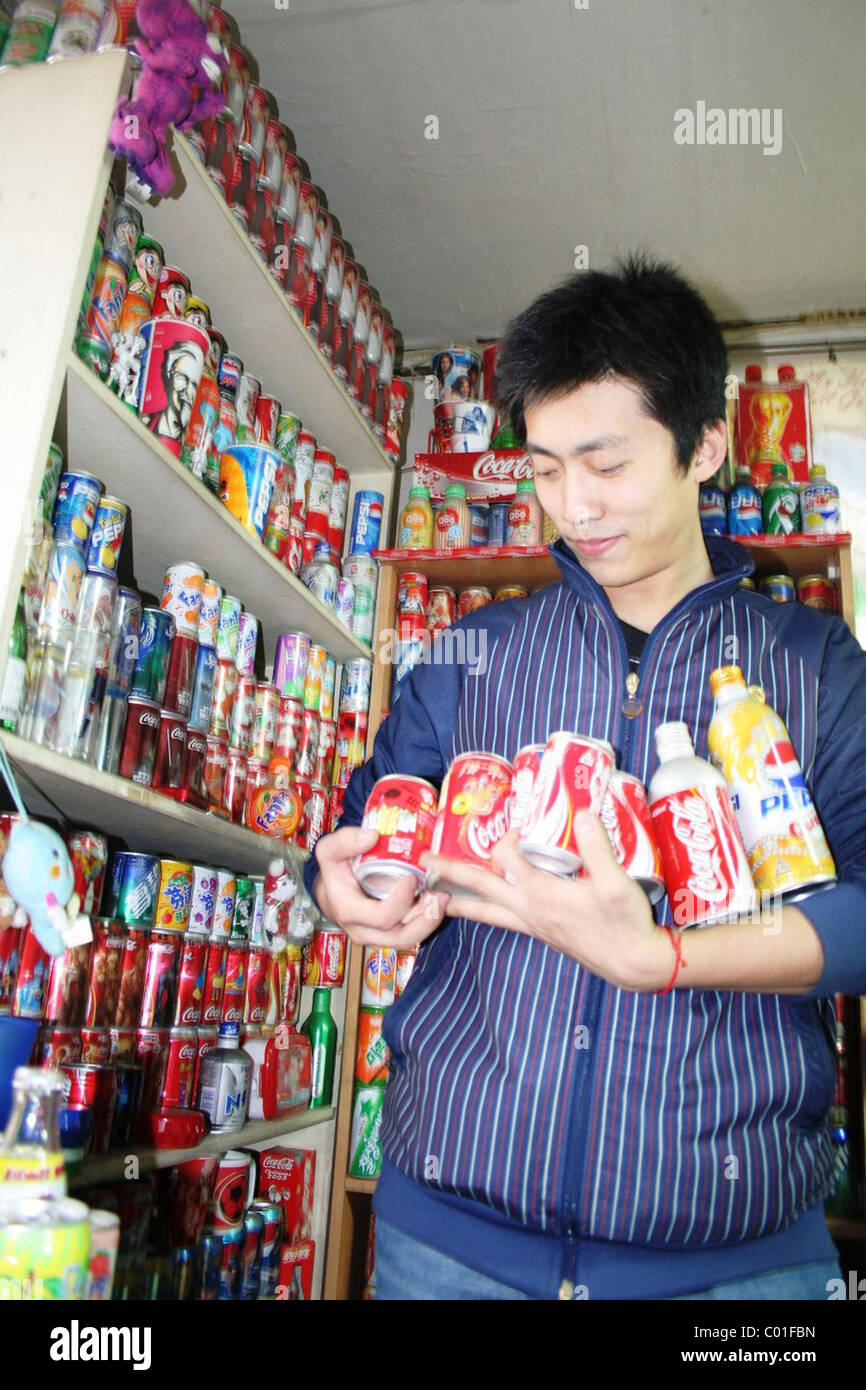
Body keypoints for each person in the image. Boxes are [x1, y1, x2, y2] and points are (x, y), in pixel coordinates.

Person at [305, 256, 866, 1301]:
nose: (573, 504)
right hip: (447, 1247)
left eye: (604, 464)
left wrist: (660, 956)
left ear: (703, 445)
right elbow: (370, 815)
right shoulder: (472, 653)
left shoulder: (818, 668)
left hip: (734, 1270)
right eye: (546, 467)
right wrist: (337, 878)